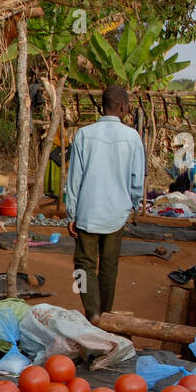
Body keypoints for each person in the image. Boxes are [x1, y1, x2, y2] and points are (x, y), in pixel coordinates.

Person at [63, 85, 146, 324]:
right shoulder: (132, 137)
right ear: (123, 107)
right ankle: (105, 313)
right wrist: (132, 204)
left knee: (83, 265)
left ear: (103, 106)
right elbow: (136, 180)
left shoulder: (84, 134)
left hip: (87, 212)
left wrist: (72, 214)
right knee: (109, 267)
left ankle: (93, 311)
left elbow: (75, 178)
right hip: (116, 214)